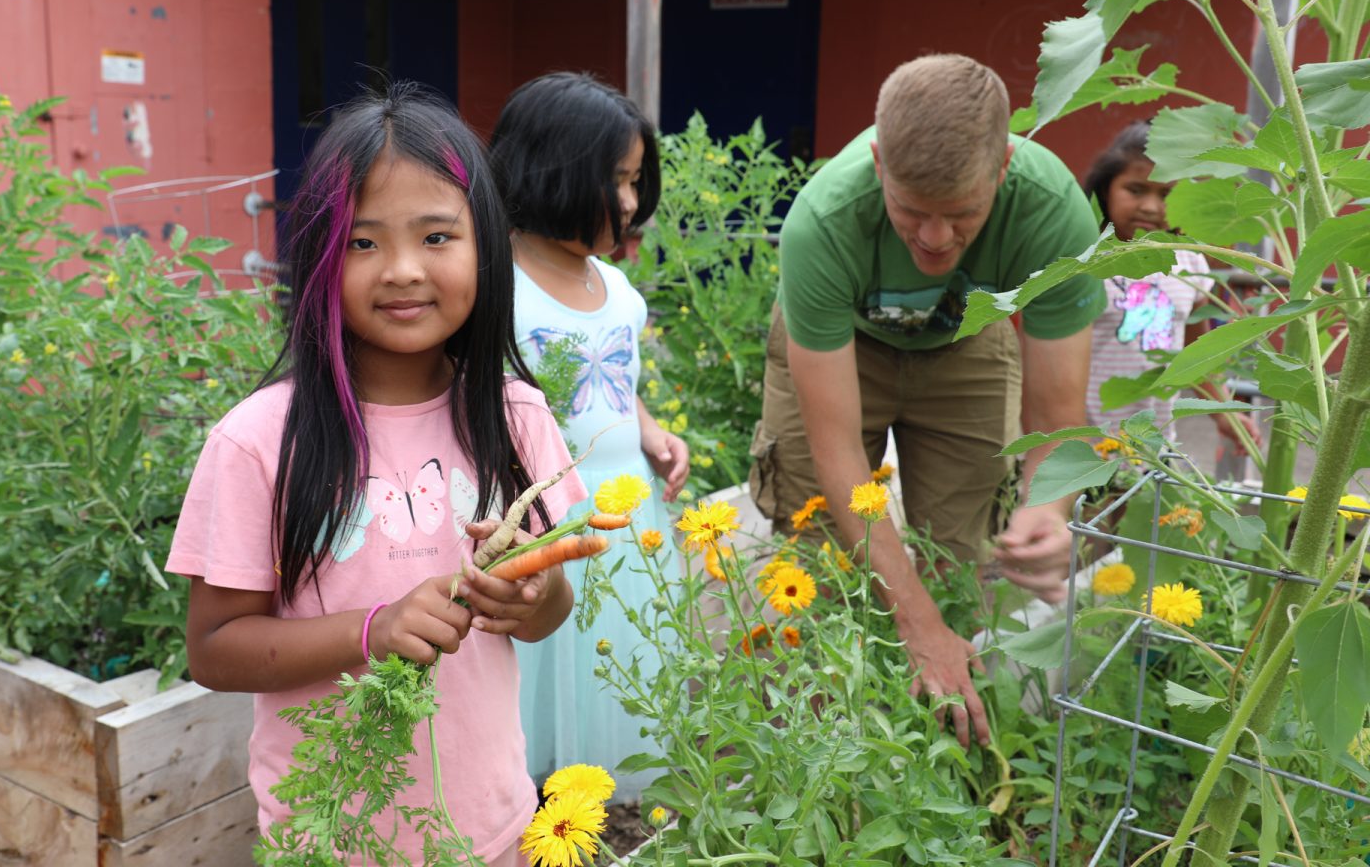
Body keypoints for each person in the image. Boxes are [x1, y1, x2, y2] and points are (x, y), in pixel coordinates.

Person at [166, 87, 587, 865]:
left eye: (436, 236)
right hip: (331, 838)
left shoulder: (515, 415)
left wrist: (532, 592)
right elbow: (215, 648)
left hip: (494, 828)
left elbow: (550, 611)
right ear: (321, 254)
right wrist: (373, 632)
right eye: (363, 242)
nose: (401, 270)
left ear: (485, 246)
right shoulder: (260, 440)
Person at [751, 53, 1105, 748]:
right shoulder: (822, 222)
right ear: (879, 163)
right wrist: (915, 625)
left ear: (1003, 166)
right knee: (823, 554)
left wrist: (1047, 506)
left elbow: (1056, 419)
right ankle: (819, 755)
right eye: (911, 211)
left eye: (964, 214)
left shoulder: (1053, 213)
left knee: (960, 557)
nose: (935, 239)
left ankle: (939, 758)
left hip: (968, 340)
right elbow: (838, 454)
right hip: (842, 342)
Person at [489, 71, 688, 803]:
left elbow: (619, 389)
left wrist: (653, 432)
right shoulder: (496, 285)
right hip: (547, 522)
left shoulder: (616, 286)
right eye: (614, 180)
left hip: (625, 519)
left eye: (637, 181)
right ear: (549, 171)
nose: (631, 202)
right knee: (546, 669)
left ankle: (601, 811)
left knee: (618, 661)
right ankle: (531, 803)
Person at [1082, 121, 1261, 453]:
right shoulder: (1084, 260)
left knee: (1148, 506)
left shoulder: (1188, 262)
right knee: (1090, 508)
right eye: (1135, 190)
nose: (1150, 206)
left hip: (1156, 445)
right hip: (1084, 442)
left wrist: (1223, 412)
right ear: (1105, 188)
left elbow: (1197, 348)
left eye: (1166, 194)